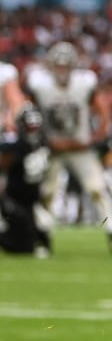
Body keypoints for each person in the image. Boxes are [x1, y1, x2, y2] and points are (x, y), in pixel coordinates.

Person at [24, 42, 112, 253]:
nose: (62, 70)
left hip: (81, 148)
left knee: (96, 189)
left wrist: (98, 135)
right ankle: (44, 238)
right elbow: (28, 112)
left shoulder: (84, 83)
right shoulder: (40, 85)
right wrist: (38, 139)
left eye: (66, 65)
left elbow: (102, 109)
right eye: (58, 66)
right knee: (48, 193)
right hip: (53, 149)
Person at [0, 105, 54, 257]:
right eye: (30, 127)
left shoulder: (43, 144)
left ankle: (34, 242)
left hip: (32, 200)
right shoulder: (14, 147)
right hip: (14, 199)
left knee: (45, 225)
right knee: (23, 245)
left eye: (35, 126)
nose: (33, 130)